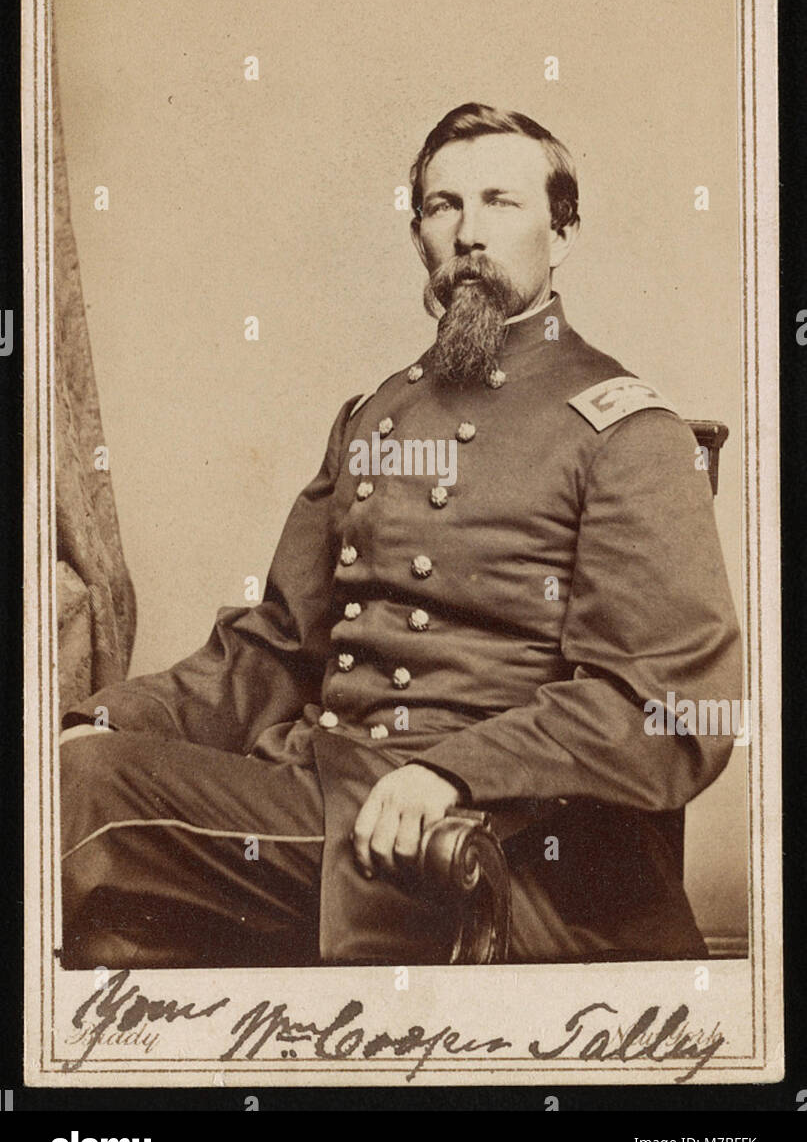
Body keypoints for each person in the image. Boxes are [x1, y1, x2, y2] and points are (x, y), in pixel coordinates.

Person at [59, 102, 742, 969]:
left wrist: (456, 773)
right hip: (326, 791)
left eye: (500, 202)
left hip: (500, 845)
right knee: (67, 772)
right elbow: (273, 649)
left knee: (82, 799)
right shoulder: (373, 416)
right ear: (417, 234)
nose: (468, 234)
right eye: (441, 205)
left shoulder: (623, 429)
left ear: (560, 231)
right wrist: (108, 718)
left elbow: (666, 701)